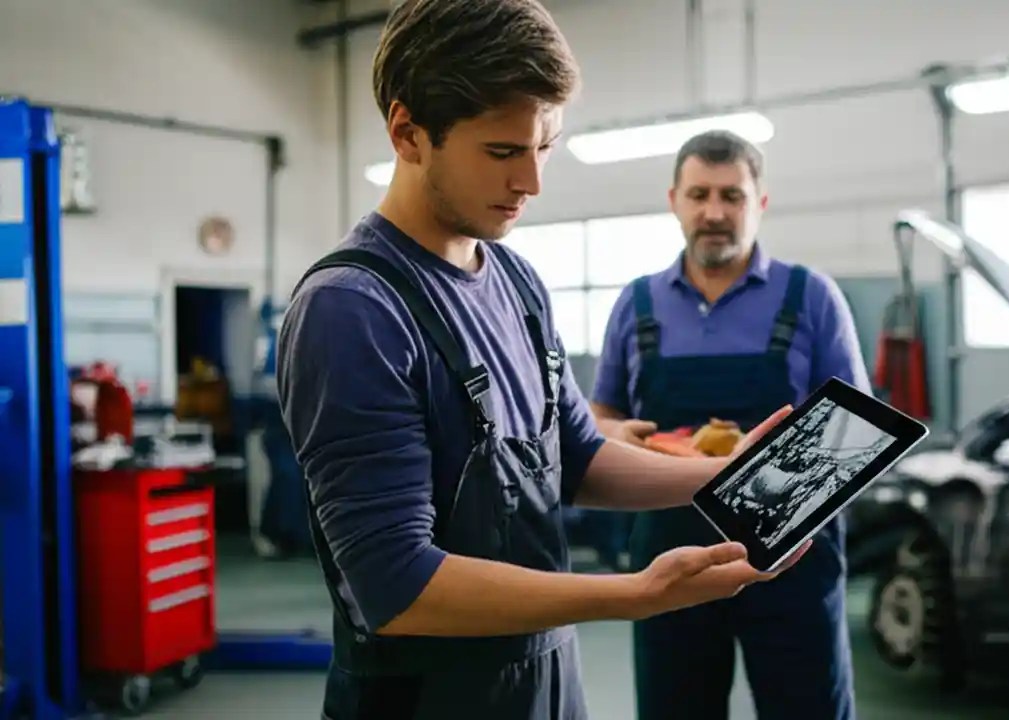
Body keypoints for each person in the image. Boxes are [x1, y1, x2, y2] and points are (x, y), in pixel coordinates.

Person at [275, 2, 807, 718]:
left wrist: (724, 475)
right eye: (502, 152)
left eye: (545, 146)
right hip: (426, 700)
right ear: (407, 132)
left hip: (545, 686)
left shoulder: (516, 281)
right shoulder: (353, 310)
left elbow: (576, 459)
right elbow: (395, 583)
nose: (532, 182)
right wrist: (636, 595)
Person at [590, 130, 872, 720]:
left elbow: (856, 427)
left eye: (731, 196)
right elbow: (602, 413)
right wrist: (617, 435)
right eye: (699, 194)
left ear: (759, 202)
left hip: (793, 554)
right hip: (669, 553)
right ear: (675, 200)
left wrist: (784, 457)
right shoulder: (636, 302)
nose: (713, 212)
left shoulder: (811, 295)